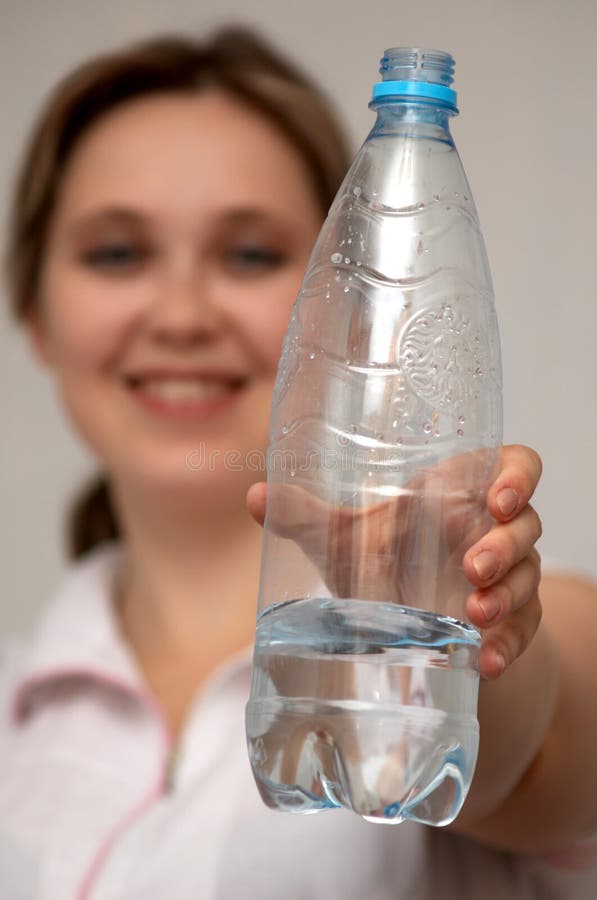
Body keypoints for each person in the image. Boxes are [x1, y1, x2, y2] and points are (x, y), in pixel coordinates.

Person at [1, 26, 595, 900]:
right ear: (35, 311)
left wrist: (445, 624)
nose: (181, 315)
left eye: (249, 253)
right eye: (117, 253)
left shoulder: (556, 625)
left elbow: (542, 748)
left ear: (346, 301)